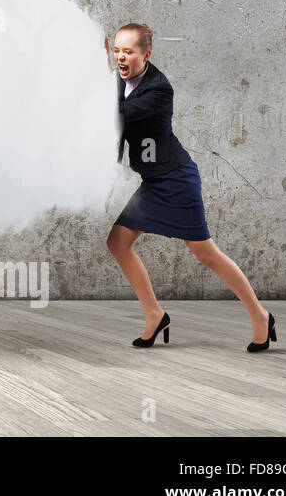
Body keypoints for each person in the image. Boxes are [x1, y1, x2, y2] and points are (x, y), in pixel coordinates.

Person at [103, 23, 276, 352]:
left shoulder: (158, 89)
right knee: (117, 243)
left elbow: (117, 116)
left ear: (146, 55)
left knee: (205, 254)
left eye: (128, 51)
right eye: (117, 50)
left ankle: (260, 316)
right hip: (152, 182)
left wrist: (106, 75)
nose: (121, 57)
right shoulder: (119, 80)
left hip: (177, 180)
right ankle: (155, 314)